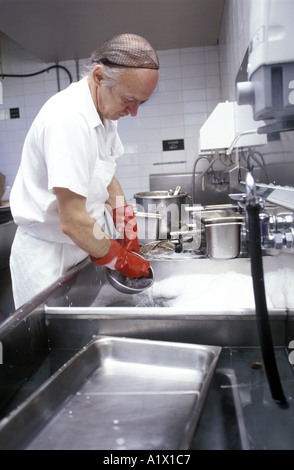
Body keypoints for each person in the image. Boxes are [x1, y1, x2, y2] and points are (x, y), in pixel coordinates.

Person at [9, 33, 159, 309]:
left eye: (141, 102)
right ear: (100, 76)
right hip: (49, 259)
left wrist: (129, 234)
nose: (134, 112)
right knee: (56, 347)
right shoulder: (68, 119)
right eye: (129, 100)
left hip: (83, 249)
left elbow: (107, 179)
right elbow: (73, 221)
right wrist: (122, 259)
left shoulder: (104, 113)